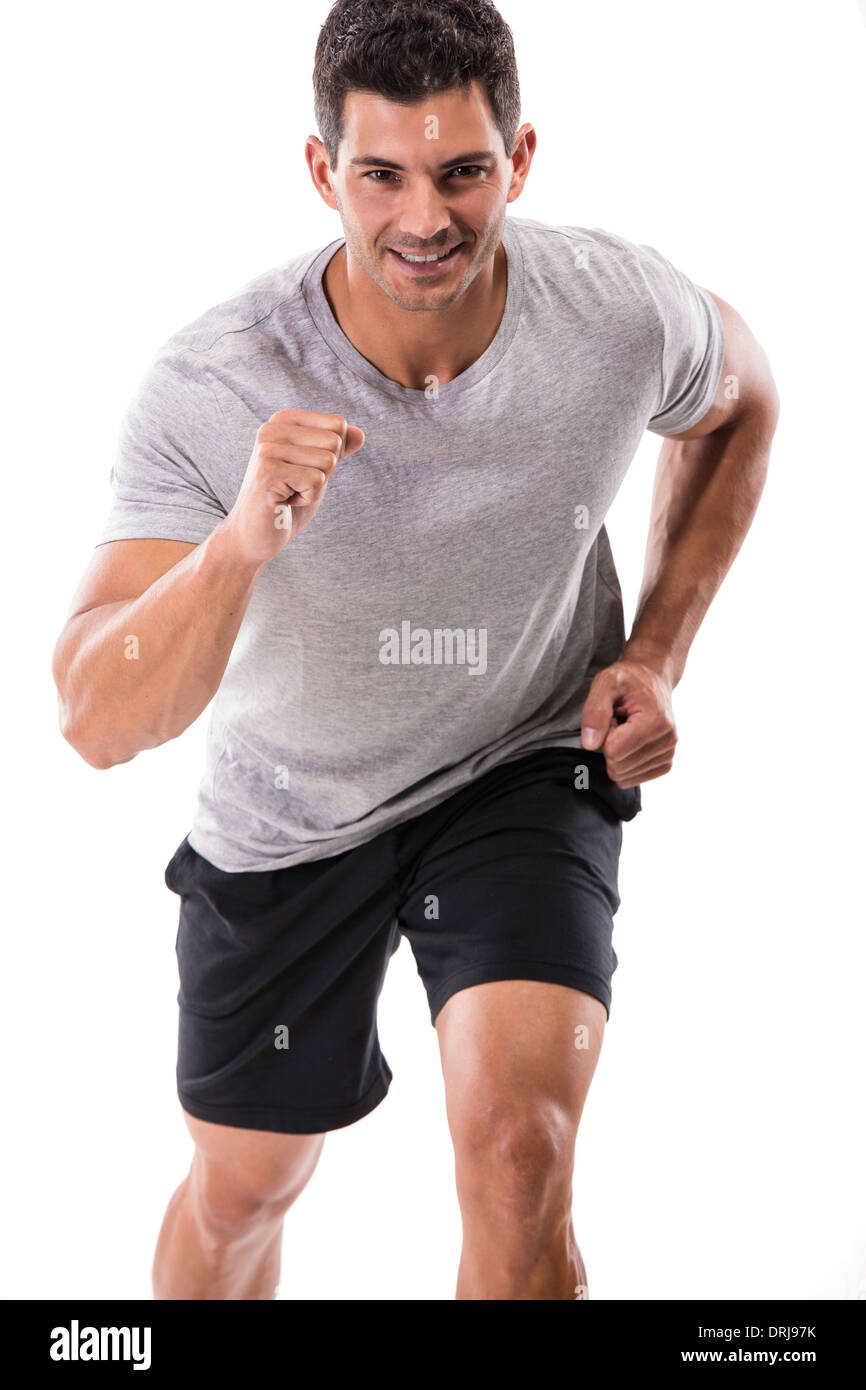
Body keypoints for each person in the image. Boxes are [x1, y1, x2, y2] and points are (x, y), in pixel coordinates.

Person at [51, 0, 779, 1300]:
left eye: (462, 171)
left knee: (520, 1152)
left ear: (521, 157)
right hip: (289, 819)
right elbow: (96, 719)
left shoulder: (613, 310)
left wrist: (658, 647)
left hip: (519, 763)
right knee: (241, 1189)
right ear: (323, 169)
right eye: (381, 174)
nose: (425, 218)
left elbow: (743, 399)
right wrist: (236, 545)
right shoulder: (215, 386)